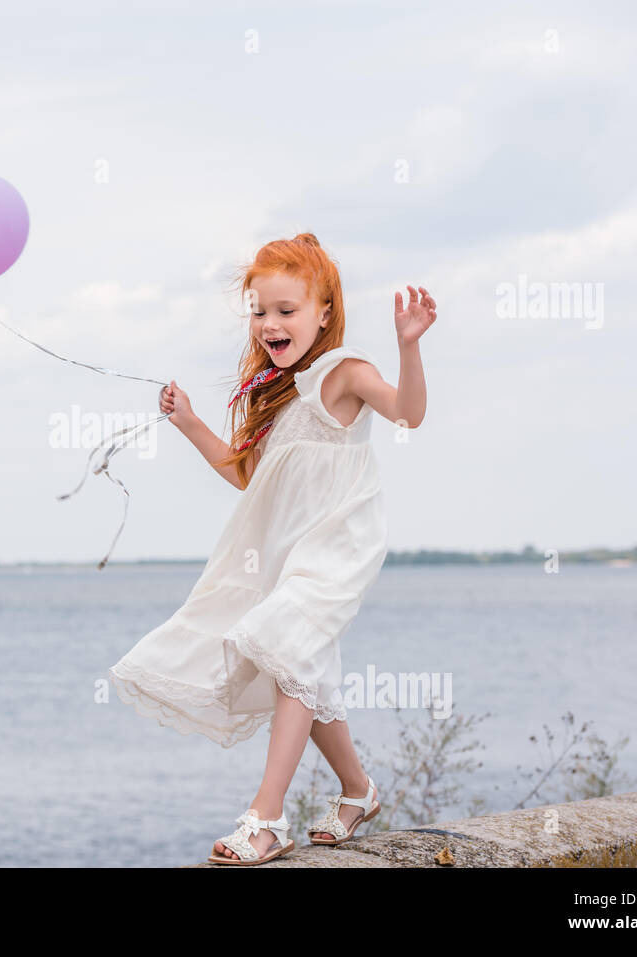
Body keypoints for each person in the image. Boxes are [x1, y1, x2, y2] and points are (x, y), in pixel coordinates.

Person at [107, 233, 435, 864]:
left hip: (341, 542)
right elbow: (246, 475)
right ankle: (358, 790)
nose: (270, 323)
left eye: (287, 310)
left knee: (287, 646)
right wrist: (190, 422)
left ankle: (266, 819)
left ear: (324, 312)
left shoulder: (345, 372)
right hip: (285, 549)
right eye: (260, 311)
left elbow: (409, 414)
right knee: (302, 669)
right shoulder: (275, 393)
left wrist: (408, 346)